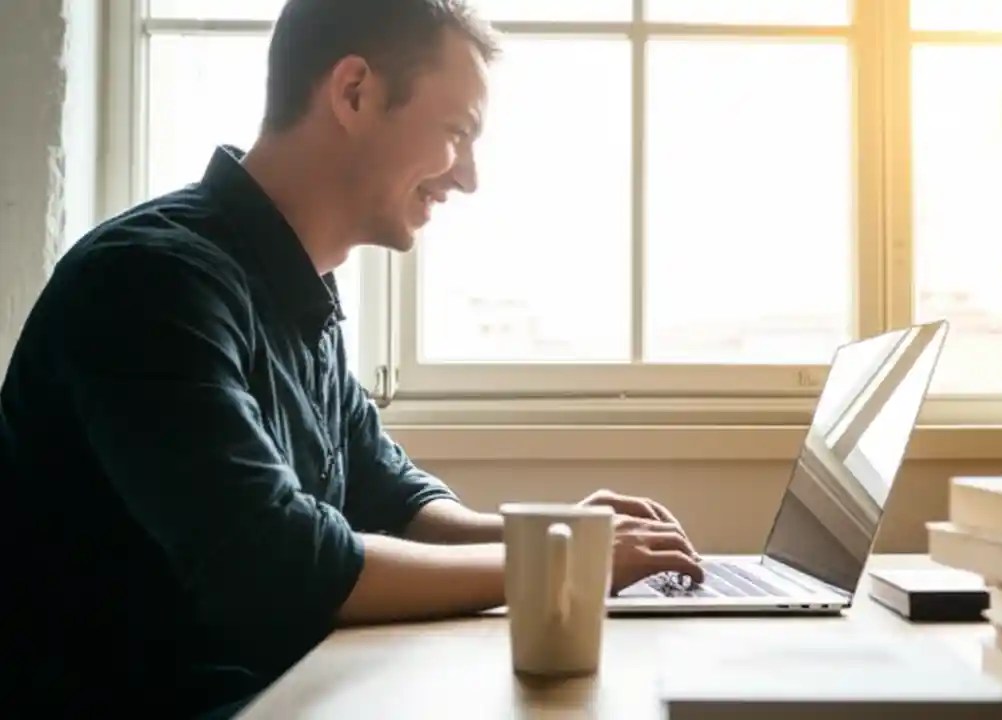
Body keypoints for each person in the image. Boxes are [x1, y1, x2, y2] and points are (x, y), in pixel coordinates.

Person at [0, 0, 703, 716]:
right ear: (354, 92)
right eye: (457, 133)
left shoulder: (291, 283)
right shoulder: (150, 283)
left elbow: (385, 495)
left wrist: (563, 532)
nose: (468, 178)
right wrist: (556, 567)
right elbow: (283, 568)